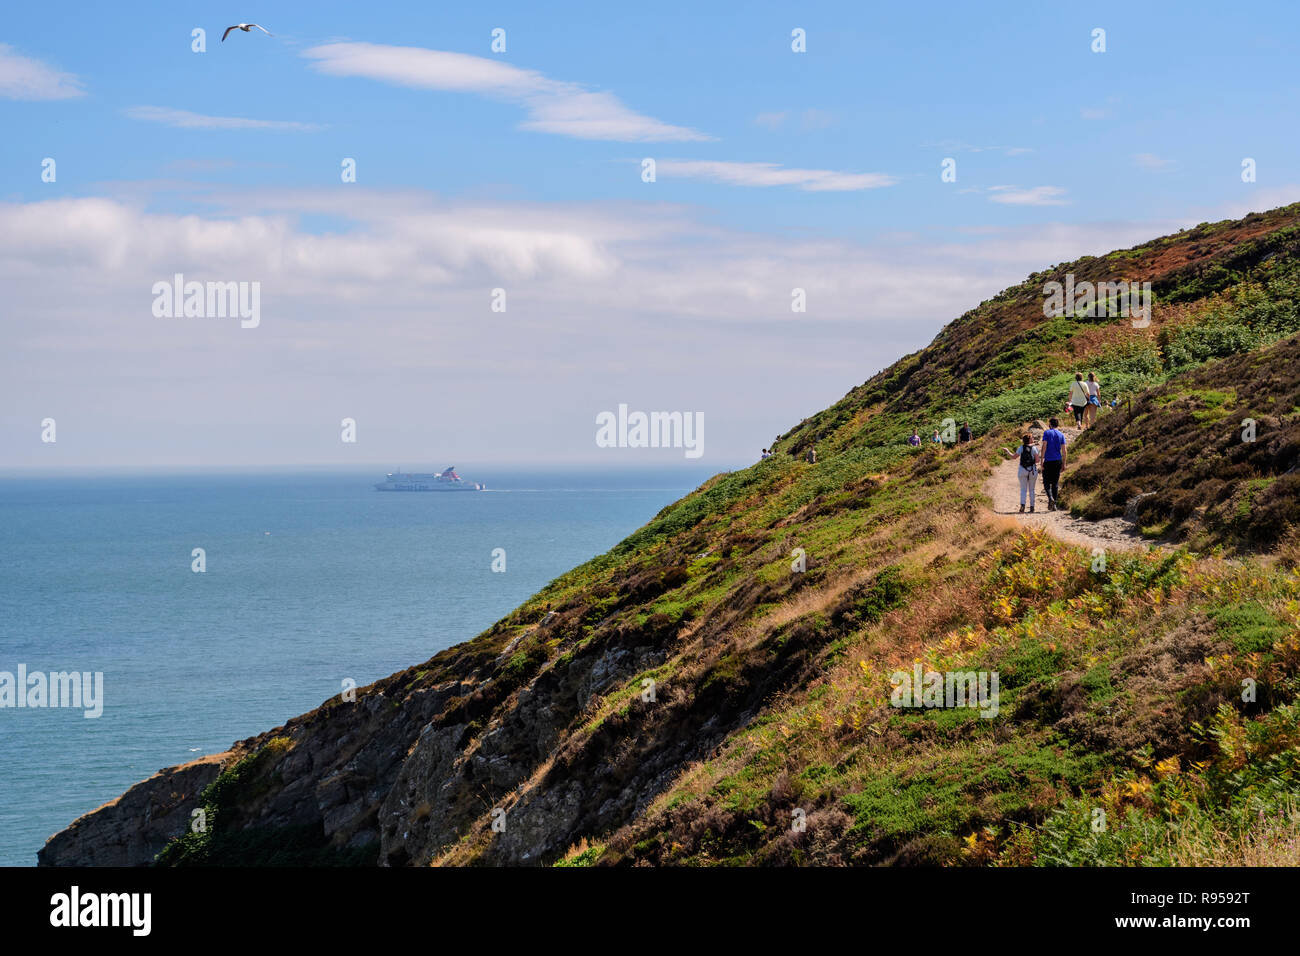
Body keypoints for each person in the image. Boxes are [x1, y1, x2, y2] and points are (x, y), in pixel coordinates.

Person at [1040, 417, 1067, 510]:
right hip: (1058, 460)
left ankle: (1050, 498)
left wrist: (1041, 460)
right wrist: (1064, 463)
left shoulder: (1047, 433)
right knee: (1055, 483)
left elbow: (1044, 446)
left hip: (1048, 460)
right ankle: (1054, 504)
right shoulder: (1061, 435)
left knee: (1046, 482)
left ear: (1050, 424)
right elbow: (1064, 450)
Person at [1016, 434, 1039, 513]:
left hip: (1022, 469)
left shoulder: (1021, 448)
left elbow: (1013, 456)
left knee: (1023, 489)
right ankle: (1032, 507)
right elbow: (1037, 460)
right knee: (1032, 489)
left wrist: (1007, 451)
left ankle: (1023, 505)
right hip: (1032, 470)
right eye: (1032, 437)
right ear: (1029, 440)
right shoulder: (1034, 448)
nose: (1033, 438)